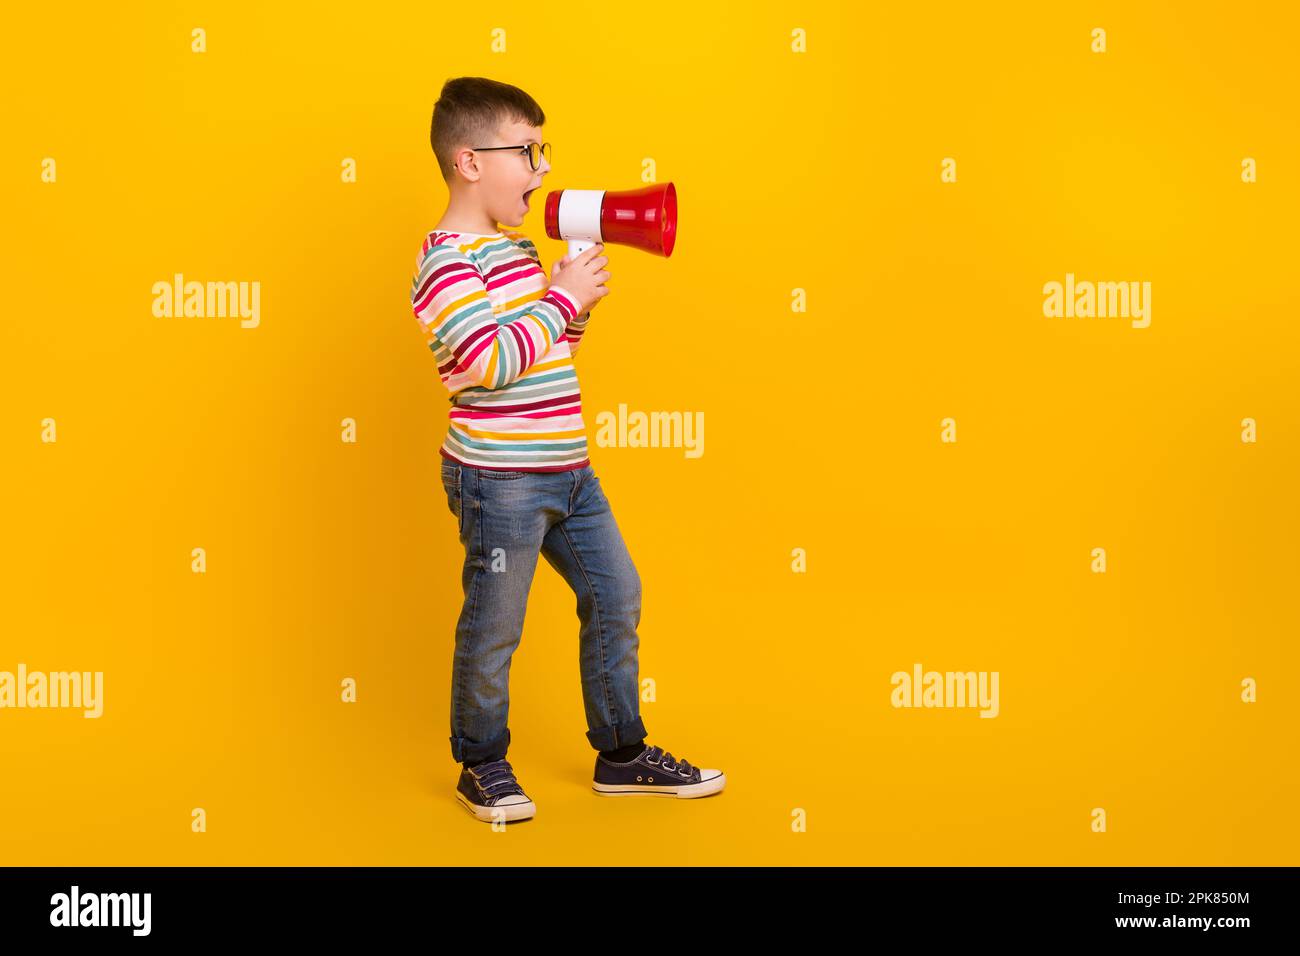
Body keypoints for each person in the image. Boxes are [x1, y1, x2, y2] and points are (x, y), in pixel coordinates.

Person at [409, 77, 724, 823]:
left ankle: (621, 754)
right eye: (527, 150)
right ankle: (480, 762)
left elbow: (547, 355)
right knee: (496, 622)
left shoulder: (518, 250)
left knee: (616, 595)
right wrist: (560, 301)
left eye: (543, 150)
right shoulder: (446, 262)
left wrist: (574, 307)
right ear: (470, 162)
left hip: (570, 470)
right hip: (499, 480)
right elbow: (485, 362)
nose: (544, 168)